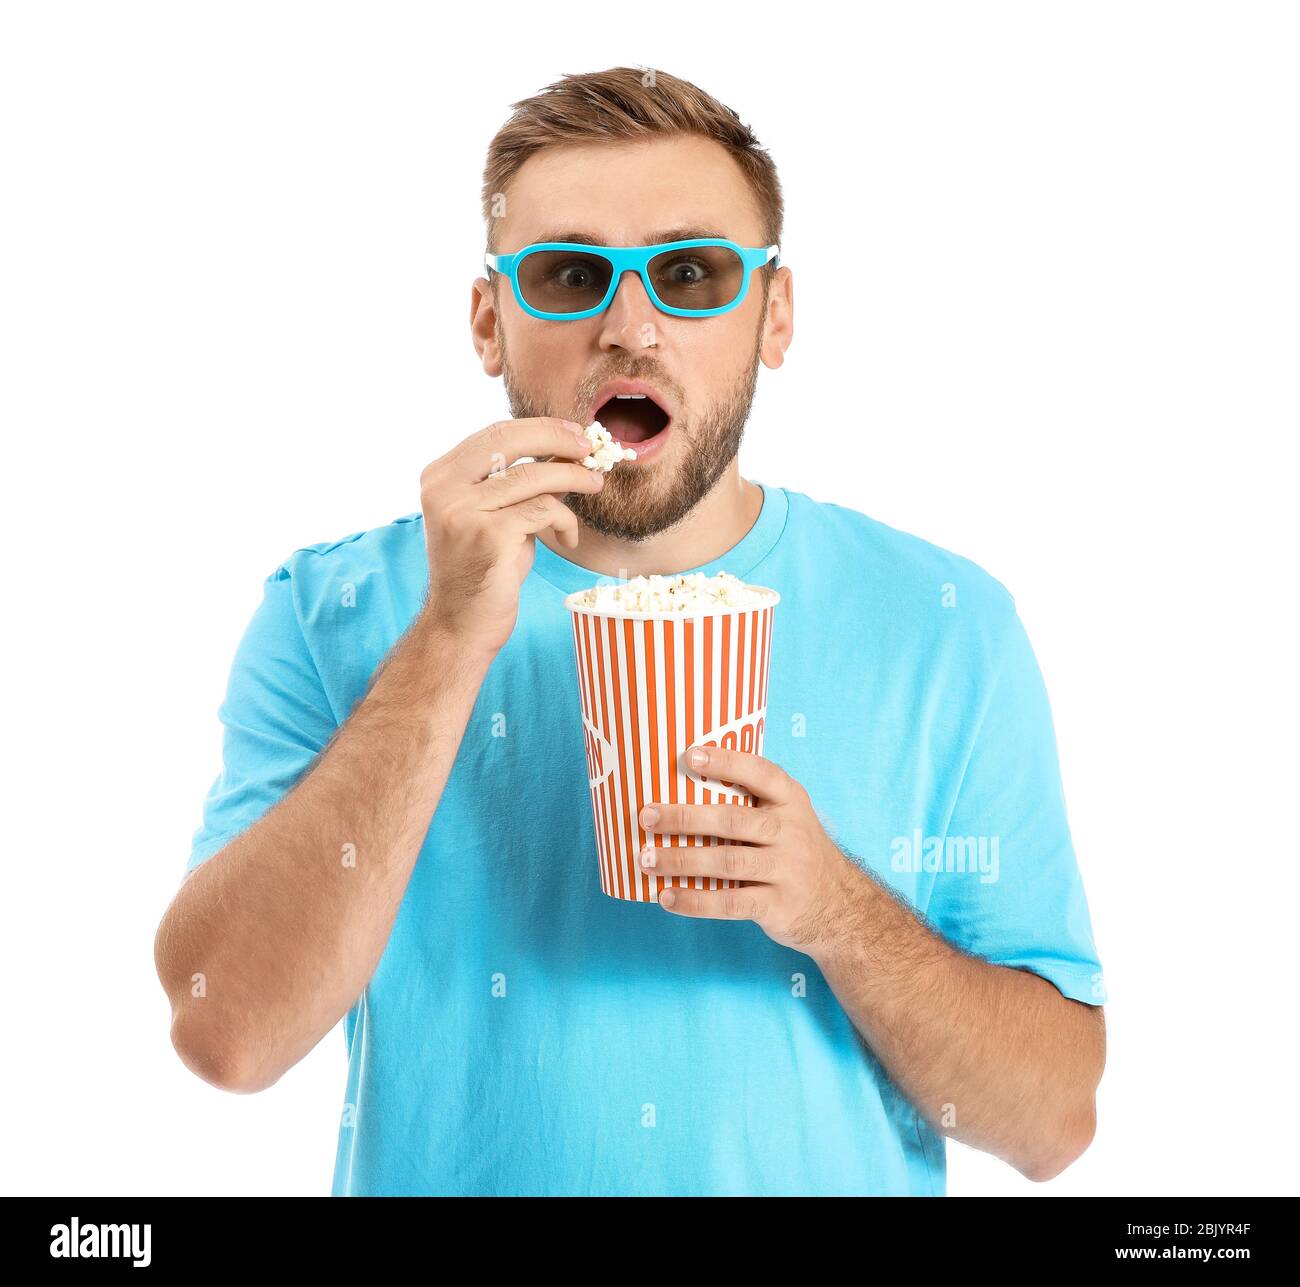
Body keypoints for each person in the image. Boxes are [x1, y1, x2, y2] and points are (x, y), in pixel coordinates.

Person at [154, 66, 1107, 1197]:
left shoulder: (943, 626)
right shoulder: (331, 613)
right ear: (487, 317)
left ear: (776, 314)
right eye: (568, 275)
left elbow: (1052, 1122)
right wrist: (453, 635)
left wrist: (836, 911)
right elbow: (227, 1037)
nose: (630, 326)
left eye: (691, 273)